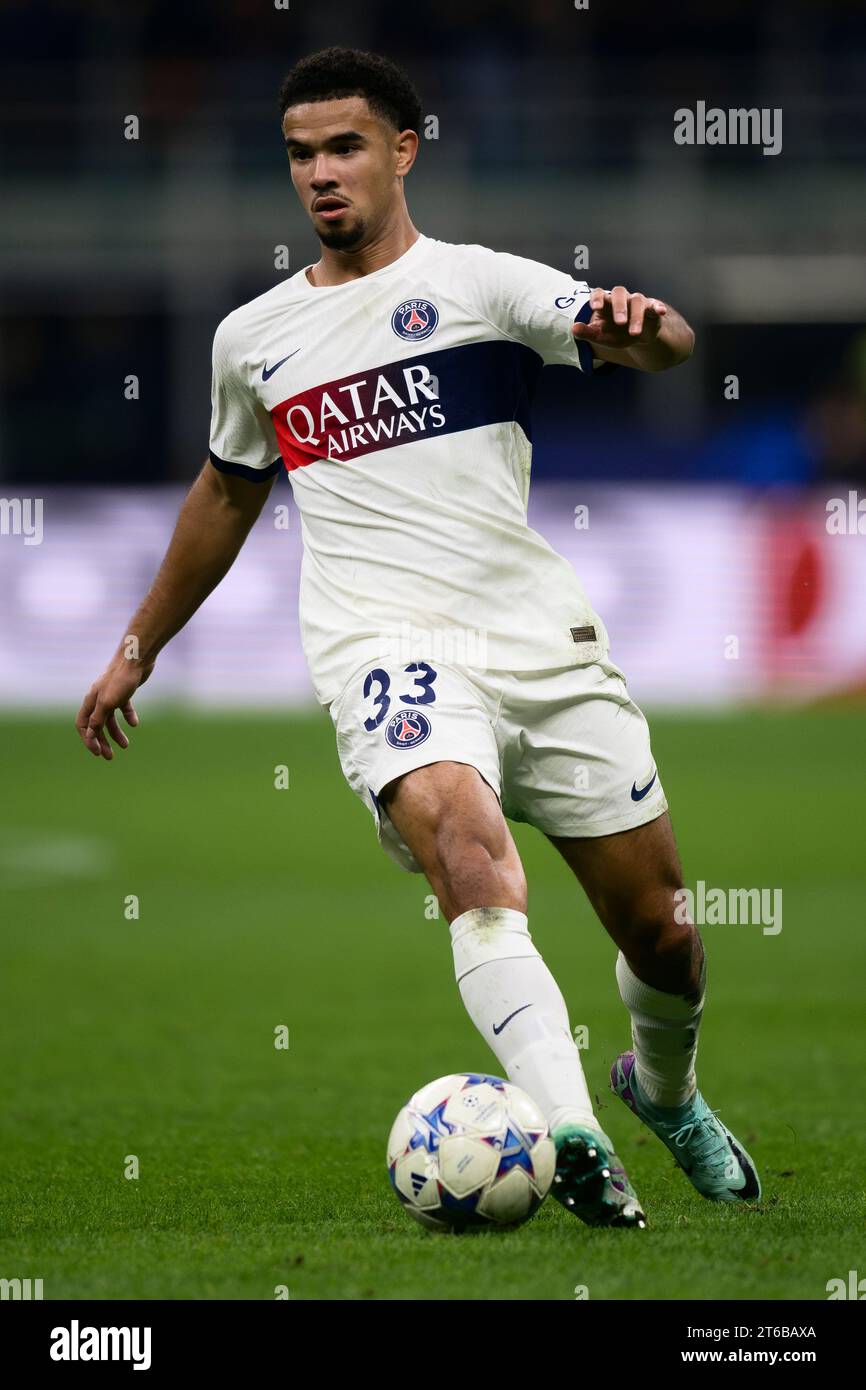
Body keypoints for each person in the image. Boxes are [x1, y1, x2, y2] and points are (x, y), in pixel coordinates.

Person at [75, 46, 760, 1228]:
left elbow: (658, 344)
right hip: (384, 649)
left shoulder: (480, 284)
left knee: (665, 936)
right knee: (469, 859)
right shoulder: (253, 339)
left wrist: (645, 327)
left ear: (402, 150)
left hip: (537, 640)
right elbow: (228, 489)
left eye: (343, 147)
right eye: (299, 153)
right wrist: (139, 645)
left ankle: (662, 1091)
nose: (319, 173)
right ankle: (571, 1132)